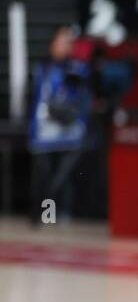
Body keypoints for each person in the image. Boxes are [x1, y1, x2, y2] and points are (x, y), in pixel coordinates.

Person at [28, 26, 92, 222]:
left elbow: (84, 97)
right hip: (45, 127)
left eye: (68, 43)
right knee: (44, 174)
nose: (65, 47)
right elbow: (37, 99)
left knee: (61, 176)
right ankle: (46, 215)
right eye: (61, 41)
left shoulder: (77, 68)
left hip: (68, 129)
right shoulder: (42, 68)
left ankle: (60, 213)